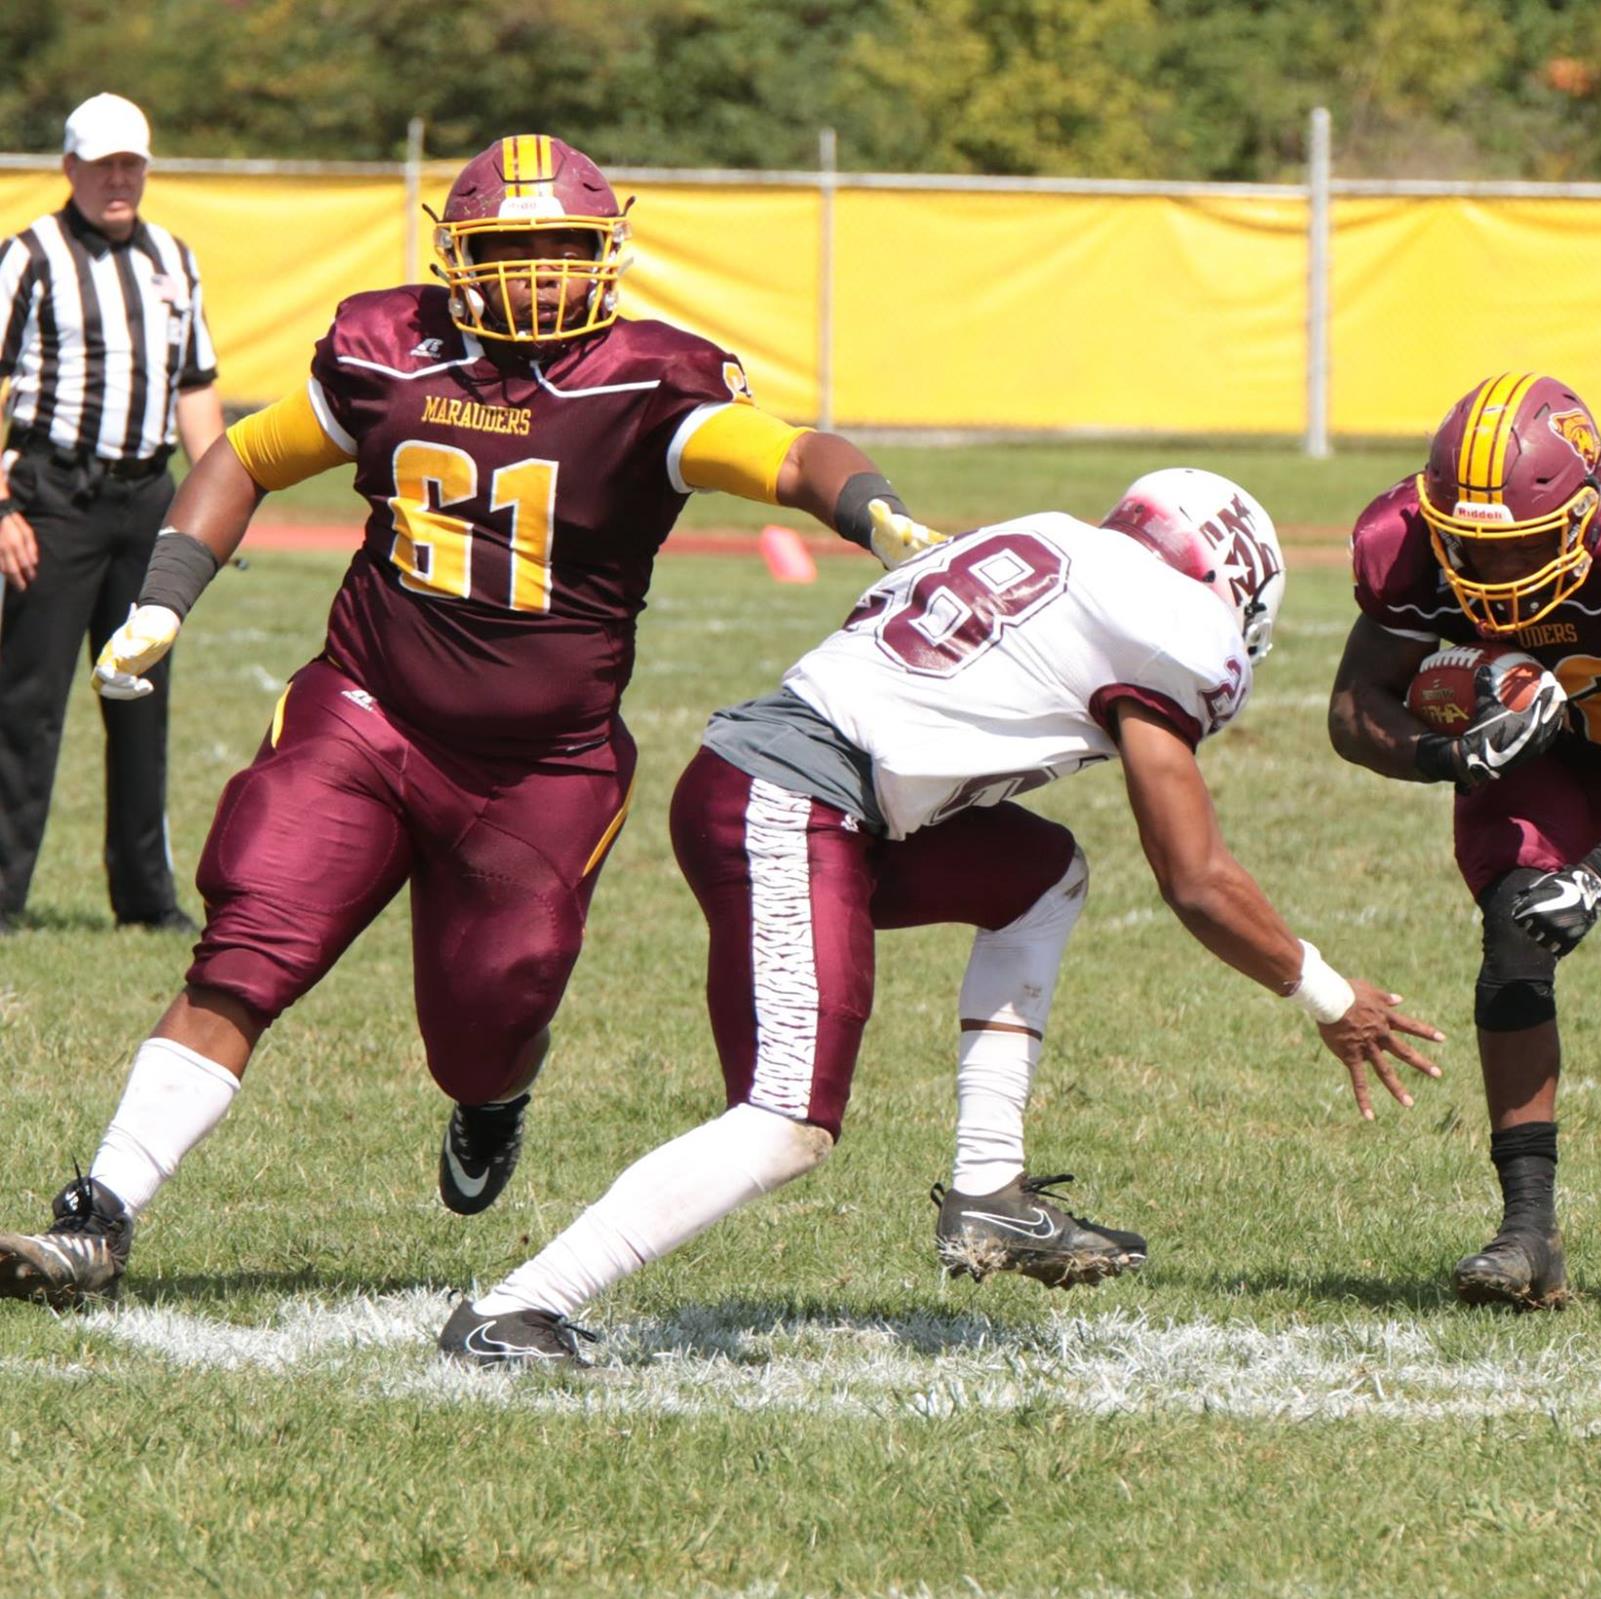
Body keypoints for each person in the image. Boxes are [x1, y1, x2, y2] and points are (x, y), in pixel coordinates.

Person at [0, 133, 943, 1308]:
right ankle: (98, 1214)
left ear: (604, 255)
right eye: (513, 247)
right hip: (369, 710)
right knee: (249, 941)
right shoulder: (389, 351)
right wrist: (163, 595)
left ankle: (493, 1096)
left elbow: (787, 455)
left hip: (540, 771)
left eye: (561, 246)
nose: (539, 272)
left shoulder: (649, 378)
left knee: (484, 1021)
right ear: (458, 257)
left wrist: (875, 512)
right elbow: (245, 455)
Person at [435, 467, 1446, 1365]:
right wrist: (1325, 995)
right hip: (795, 800)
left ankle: (988, 1193)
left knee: (1037, 872)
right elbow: (1195, 878)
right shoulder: (1171, 624)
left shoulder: (1048, 536)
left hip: (813, 791)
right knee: (783, 1120)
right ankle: (520, 1306)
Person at [1327, 371, 1601, 1311]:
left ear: (1586, 508)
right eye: (1471, 546)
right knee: (1516, 929)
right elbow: (1351, 707)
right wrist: (1445, 753)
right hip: (1534, 762)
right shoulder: (1407, 543)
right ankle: (1528, 1231)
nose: (1493, 573)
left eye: (1521, 544)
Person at [0, 93, 224, 933]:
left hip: (146, 501)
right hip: (54, 500)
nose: (119, 179)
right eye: (102, 165)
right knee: (28, 702)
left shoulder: (173, 256)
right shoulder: (26, 256)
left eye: (132, 163)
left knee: (141, 694)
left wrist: (217, 500)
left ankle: (144, 898)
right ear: (70, 168)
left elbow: (196, 386)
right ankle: (2, 894)